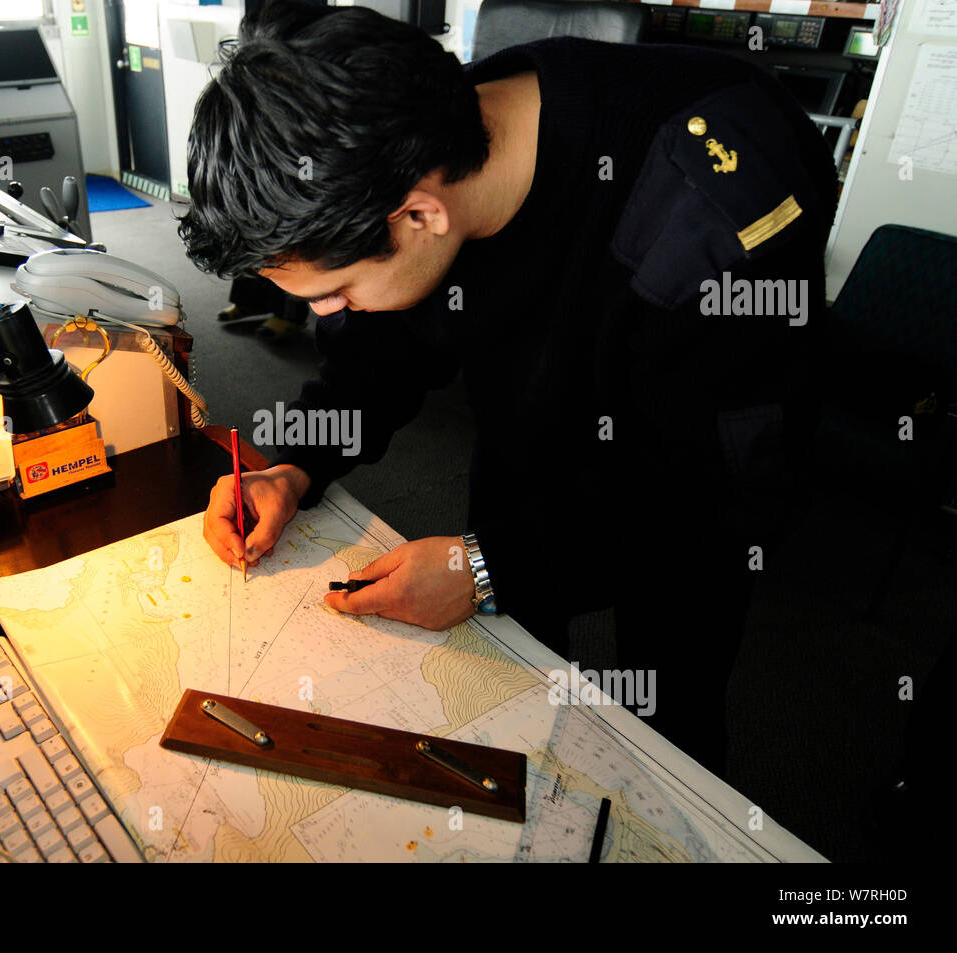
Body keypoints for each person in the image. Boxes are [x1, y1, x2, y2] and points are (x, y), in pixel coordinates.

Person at [177, 0, 837, 775]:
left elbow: (728, 498)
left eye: (338, 289)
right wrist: (294, 464)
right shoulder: (416, 137)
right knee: (504, 695)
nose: (323, 313)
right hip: (529, 439)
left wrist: (490, 567)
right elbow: (377, 355)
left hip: (692, 492)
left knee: (670, 714)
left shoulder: (716, 217)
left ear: (421, 215)